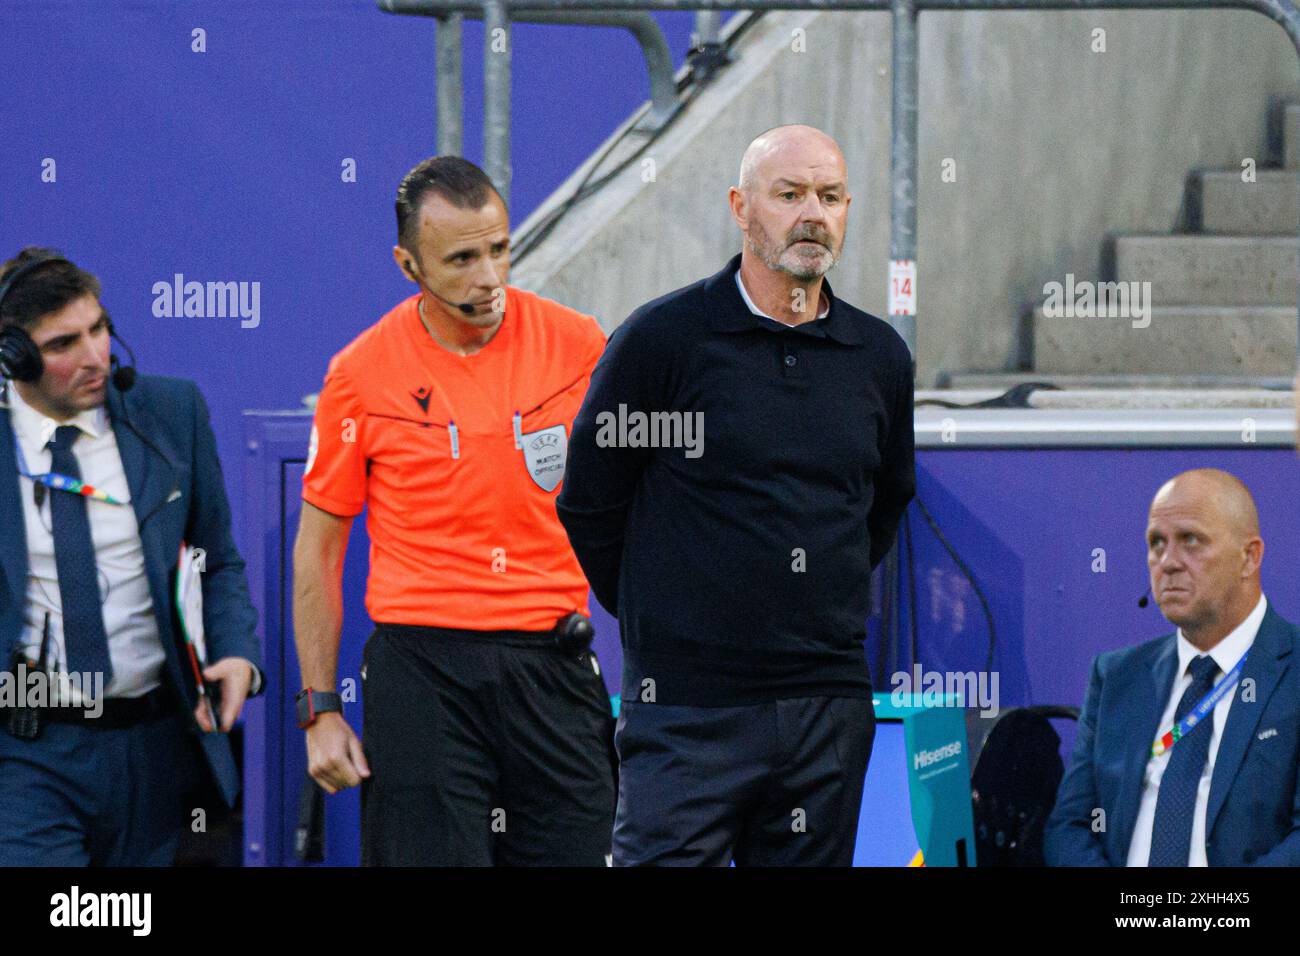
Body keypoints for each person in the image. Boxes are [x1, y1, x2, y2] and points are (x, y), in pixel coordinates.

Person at [557, 125, 916, 866]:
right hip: (684, 708)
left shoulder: (879, 356)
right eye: (789, 195)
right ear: (740, 207)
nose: (812, 214)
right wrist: (664, 615)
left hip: (825, 707)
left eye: (829, 197)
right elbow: (590, 500)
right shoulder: (663, 340)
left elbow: (882, 506)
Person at [294, 156, 615, 866]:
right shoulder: (359, 374)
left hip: (554, 665)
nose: (490, 276)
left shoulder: (580, 345)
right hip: (423, 675)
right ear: (408, 265)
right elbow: (318, 550)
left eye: (499, 248)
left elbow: (645, 501)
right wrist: (319, 710)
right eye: (463, 259)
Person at [0, 248, 262, 866]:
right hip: (29, 747)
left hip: (157, 742)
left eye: (99, 329)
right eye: (63, 344)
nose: (96, 356)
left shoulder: (171, 413)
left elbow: (216, 558)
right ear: (14, 357)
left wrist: (236, 652)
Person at [1045, 468, 1300, 866]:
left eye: (1191, 540)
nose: (1167, 562)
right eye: (1156, 543)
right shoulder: (1116, 676)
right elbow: (1071, 826)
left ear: (1249, 557)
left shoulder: (1292, 669)